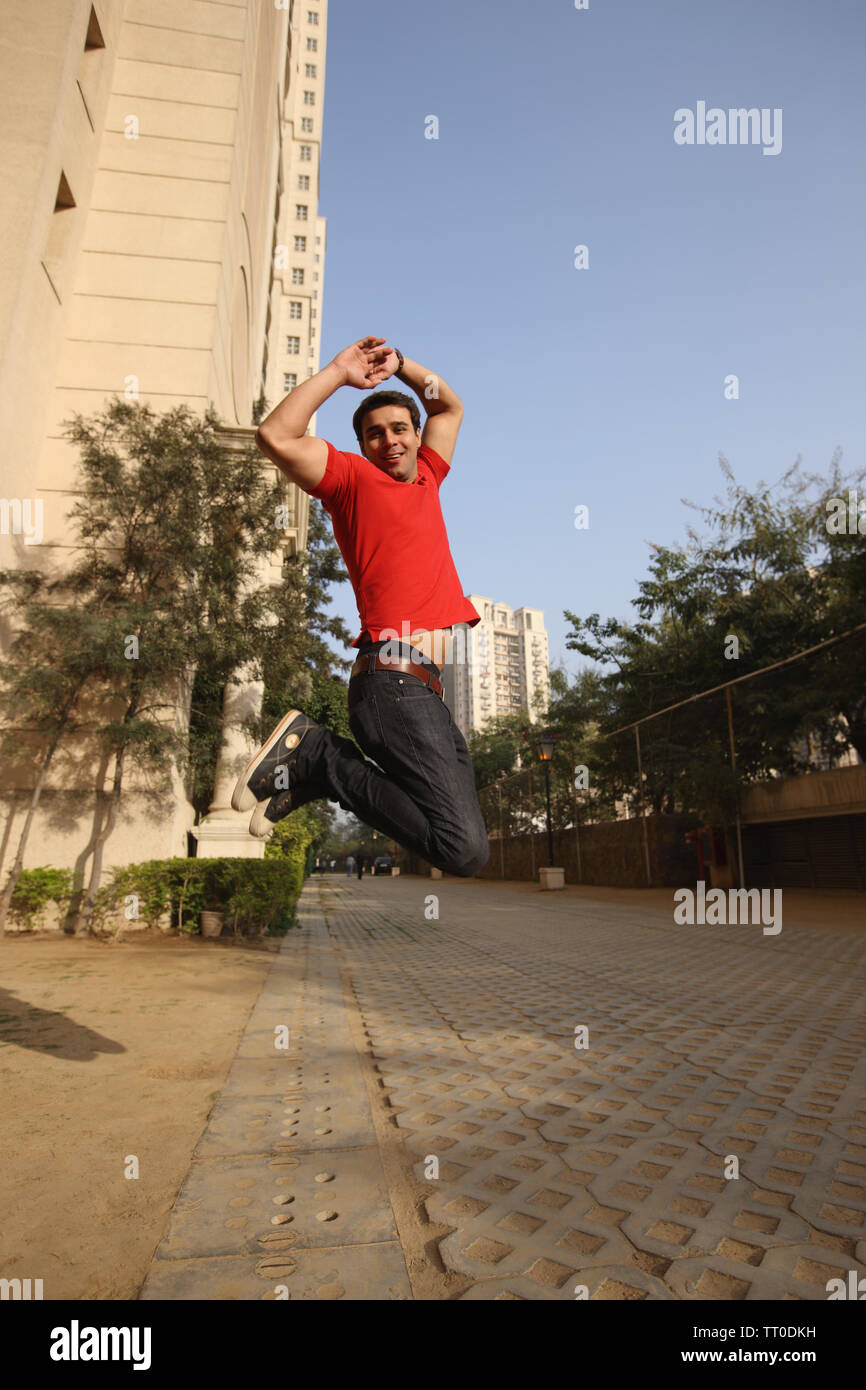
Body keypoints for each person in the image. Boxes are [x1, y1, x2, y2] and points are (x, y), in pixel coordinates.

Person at [231, 335, 490, 879]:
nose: (389, 441)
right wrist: (339, 371)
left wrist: (400, 367)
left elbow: (449, 404)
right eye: (375, 434)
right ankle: (319, 757)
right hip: (392, 683)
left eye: (400, 429)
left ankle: (314, 774)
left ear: (417, 438)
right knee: (462, 849)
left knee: (460, 832)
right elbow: (275, 435)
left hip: (421, 690)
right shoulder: (351, 479)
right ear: (362, 445)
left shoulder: (428, 476)